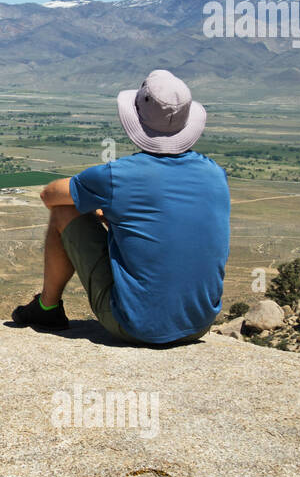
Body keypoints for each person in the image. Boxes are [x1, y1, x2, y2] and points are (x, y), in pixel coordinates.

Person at [12, 69, 230, 346]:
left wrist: (99, 207)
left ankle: (47, 309)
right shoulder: (214, 173)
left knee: (65, 210)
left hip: (136, 327)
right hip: (199, 325)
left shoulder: (118, 176)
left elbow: (49, 196)